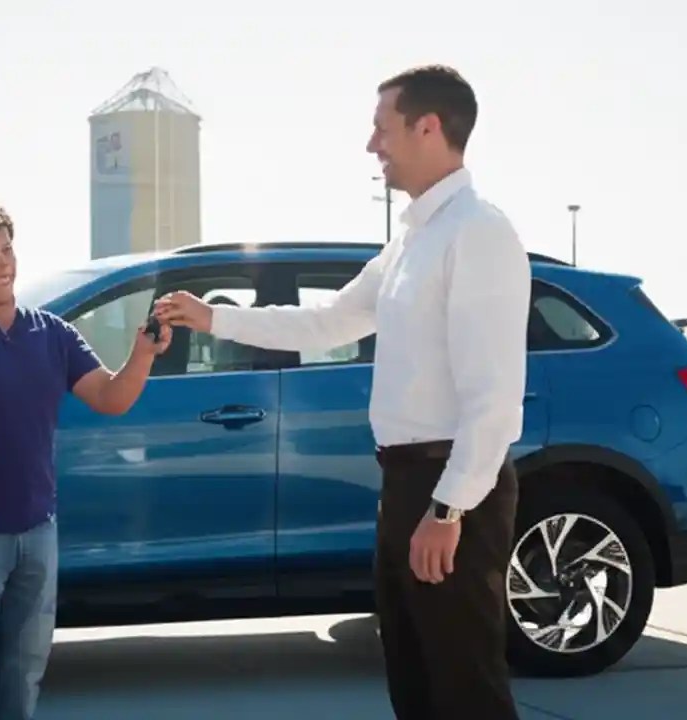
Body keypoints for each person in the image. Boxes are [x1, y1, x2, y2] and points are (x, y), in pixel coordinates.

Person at [154, 65, 529, 720]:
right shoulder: (412, 239)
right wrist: (215, 318)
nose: (371, 146)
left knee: (464, 687)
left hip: (450, 491)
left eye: (381, 129)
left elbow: (493, 395)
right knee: (414, 681)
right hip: (406, 482)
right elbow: (327, 322)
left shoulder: (478, 233)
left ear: (428, 127)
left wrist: (449, 511)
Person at [0, 197, 169, 720]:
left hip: (38, 532)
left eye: (7, 250)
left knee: (25, 668)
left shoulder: (51, 332)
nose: (3, 263)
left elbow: (111, 397)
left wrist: (143, 355)